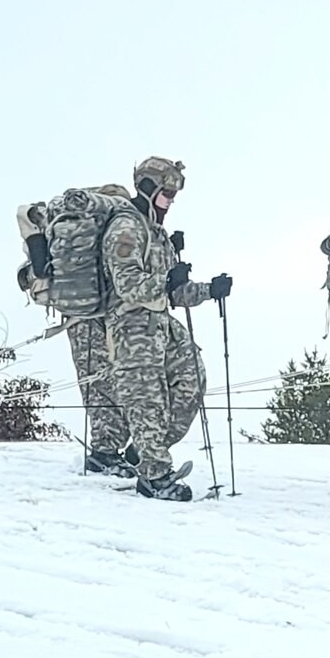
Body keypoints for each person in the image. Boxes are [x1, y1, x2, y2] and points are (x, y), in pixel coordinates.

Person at [99, 156, 234, 501]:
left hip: (162, 324)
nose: (171, 201)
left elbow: (175, 293)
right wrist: (166, 282)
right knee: (147, 400)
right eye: (168, 193)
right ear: (149, 187)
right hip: (132, 326)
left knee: (192, 382)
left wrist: (209, 290)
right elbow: (127, 285)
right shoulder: (126, 227)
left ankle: (144, 450)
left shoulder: (156, 232)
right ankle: (154, 476)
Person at [17, 184, 139, 476]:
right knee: (105, 382)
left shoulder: (72, 232)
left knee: (101, 381)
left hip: (81, 314)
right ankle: (105, 454)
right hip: (102, 312)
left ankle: (112, 450)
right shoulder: (111, 227)